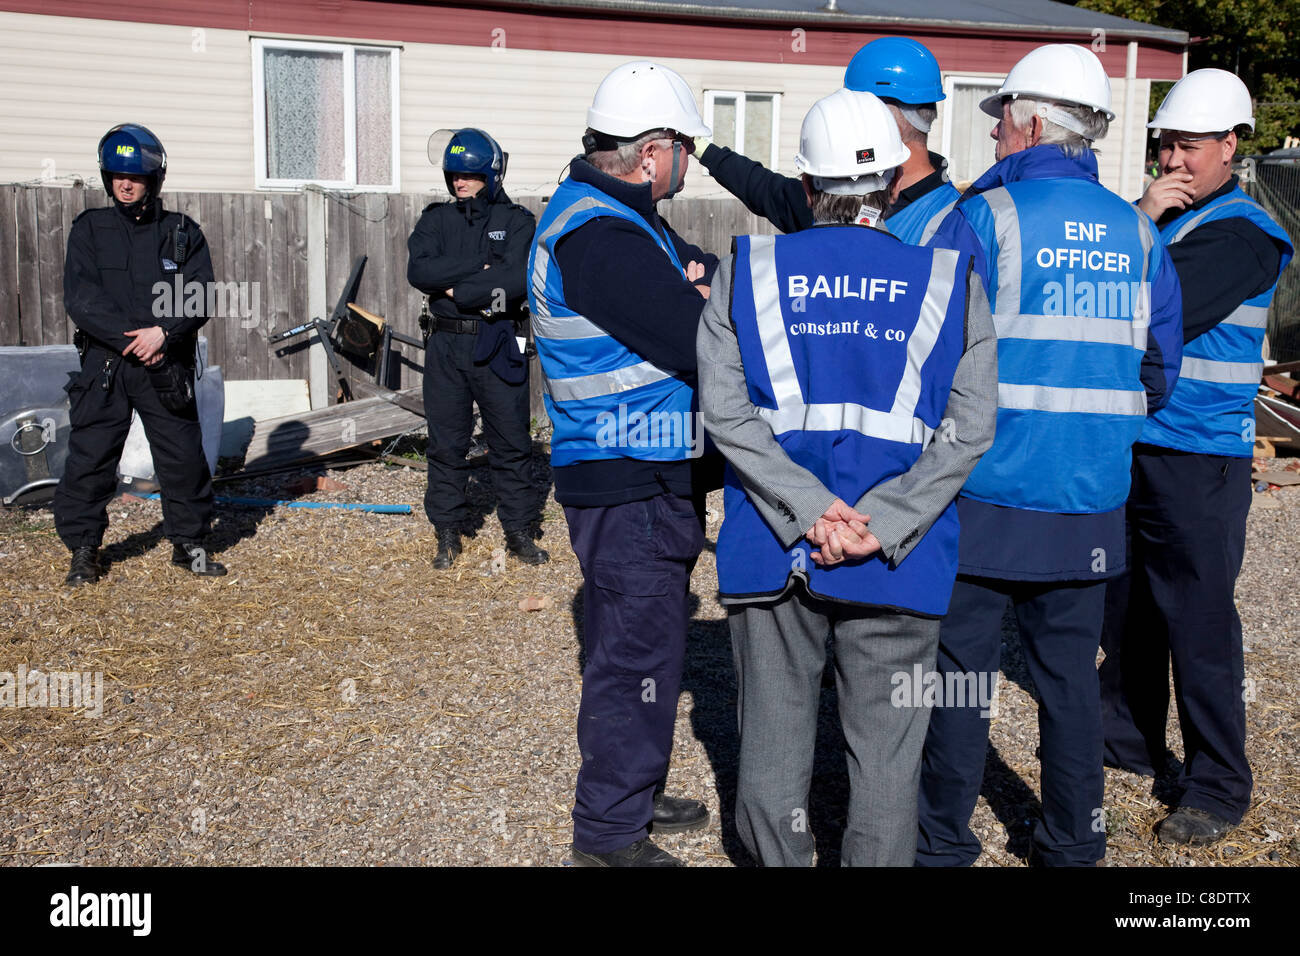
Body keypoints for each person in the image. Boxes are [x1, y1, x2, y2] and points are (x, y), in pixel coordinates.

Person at [698, 87, 998, 866]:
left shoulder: (746, 272)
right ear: (896, 180)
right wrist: (879, 524)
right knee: (888, 766)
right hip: (897, 561)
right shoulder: (949, 279)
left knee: (770, 754)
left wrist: (809, 511)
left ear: (805, 186)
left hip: (773, 551)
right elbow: (970, 432)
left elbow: (726, 419)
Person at [915, 44, 1185, 867]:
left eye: (1000, 120)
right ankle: (1074, 848)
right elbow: (1160, 372)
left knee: (961, 681)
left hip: (984, 496)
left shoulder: (982, 218)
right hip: (1090, 501)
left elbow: (930, 360)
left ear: (1032, 122)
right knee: (1068, 683)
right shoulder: (1139, 231)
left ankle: (942, 846)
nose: (995, 135)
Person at [528, 61, 720, 866]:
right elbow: (698, 338)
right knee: (636, 657)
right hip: (627, 476)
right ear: (650, 152)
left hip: (638, 474)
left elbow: (695, 268)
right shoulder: (602, 238)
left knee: (647, 646)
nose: (689, 160)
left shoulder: (614, 214)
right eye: (683, 146)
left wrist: (693, 283)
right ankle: (608, 835)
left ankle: (631, 791)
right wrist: (696, 298)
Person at [1099, 69, 1293, 846]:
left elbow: (1149, 310)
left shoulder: (1246, 232)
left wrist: (1140, 227)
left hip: (1200, 455)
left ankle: (1217, 784)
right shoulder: (1166, 216)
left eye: (1188, 145)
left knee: (1201, 621)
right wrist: (1143, 216)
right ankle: (1129, 741)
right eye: (1166, 145)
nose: (1174, 160)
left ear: (1231, 145)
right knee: (1130, 606)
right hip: (1138, 442)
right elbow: (1098, 280)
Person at [54, 123, 226, 585]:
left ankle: (189, 543)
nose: (124, 184)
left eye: (134, 177)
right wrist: (136, 339)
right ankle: (84, 550)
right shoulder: (89, 230)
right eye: (115, 175)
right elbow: (82, 299)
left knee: (182, 458)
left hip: (164, 365)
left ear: (155, 180)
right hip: (106, 366)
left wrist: (163, 335)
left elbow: (201, 296)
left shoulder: (182, 232)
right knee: (90, 459)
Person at [407, 128, 547, 569]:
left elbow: (514, 279)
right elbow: (419, 271)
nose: (459, 183)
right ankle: (447, 532)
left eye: (468, 175)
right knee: (446, 444)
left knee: (511, 443)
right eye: (453, 175)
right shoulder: (436, 220)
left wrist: (458, 289)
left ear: (491, 174)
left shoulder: (518, 221)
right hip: (446, 345)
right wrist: (477, 267)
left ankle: (519, 531)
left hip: (498, 340)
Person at [695, 36, 960, 244]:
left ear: (886, 117)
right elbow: (764, 188)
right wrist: (700, 147)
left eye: (858, 107)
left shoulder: (954, 221)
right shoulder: (831, 193)